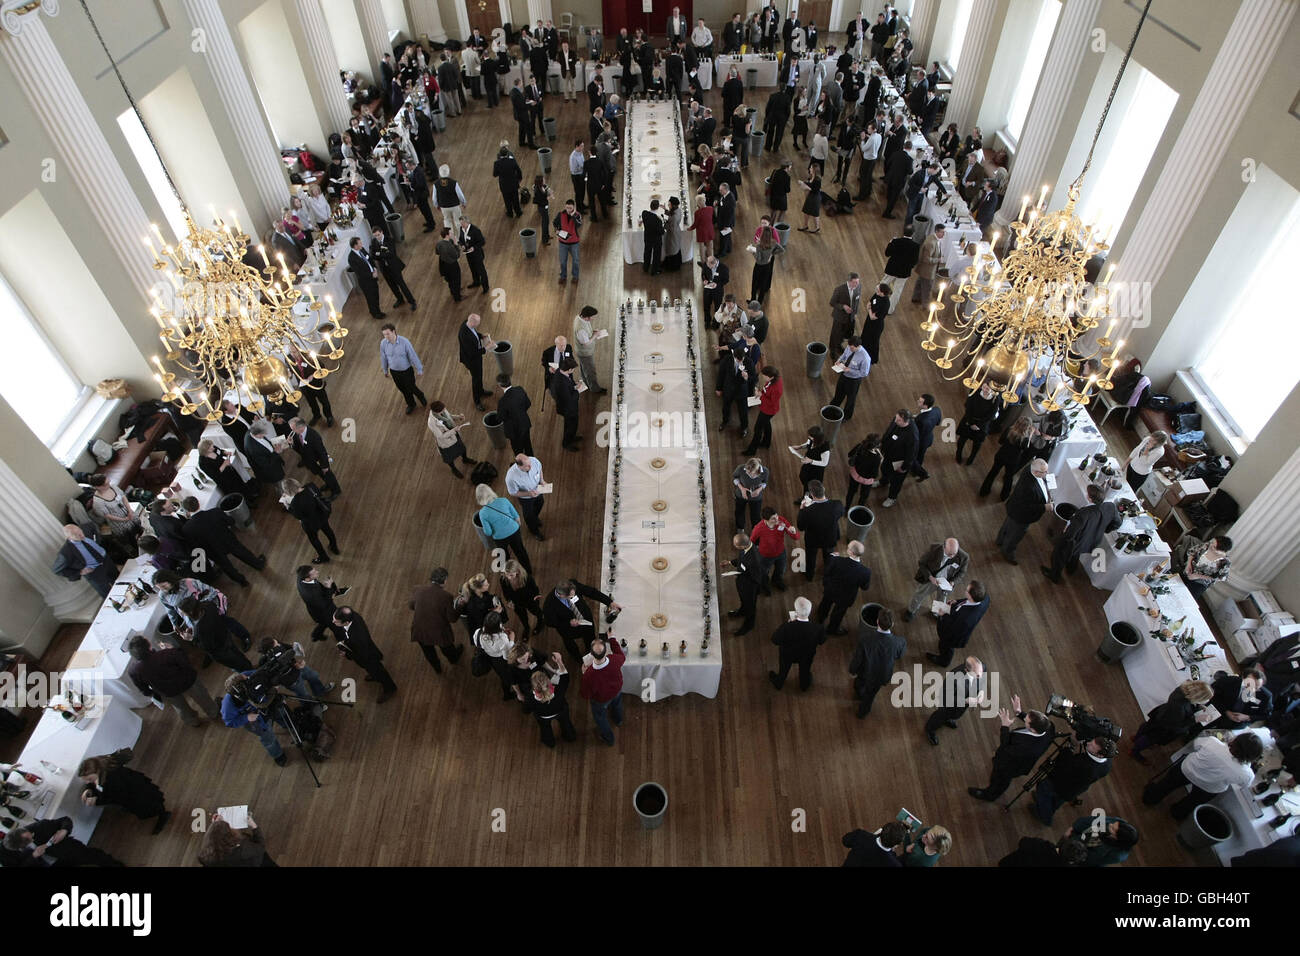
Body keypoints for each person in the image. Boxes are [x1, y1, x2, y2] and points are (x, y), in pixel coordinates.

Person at [968, 697, 1054, 801]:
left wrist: (1005, 726)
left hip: (1009, 766)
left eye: (1026, 720)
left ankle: (989, 795)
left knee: (999, 780)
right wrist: (1019, 712)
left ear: (1032, 729)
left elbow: (1006, 747)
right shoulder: (1049, 727)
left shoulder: (1026, 748)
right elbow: (1031, 723)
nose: (1024, 718)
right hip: (1014, 758)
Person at [127, 635, 220, 728]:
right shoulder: (168, 654)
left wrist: (154, 693)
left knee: (181, 708)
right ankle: (213, 712)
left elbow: (143, 688)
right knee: (202, 697)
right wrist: (173, 649)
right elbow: (186, 664)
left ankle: (193, 721)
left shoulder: (134, 671)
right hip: (187, 682)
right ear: (149, 646)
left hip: (168, 692)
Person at [78, 749, 170, 835]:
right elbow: (98, 787)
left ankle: (163, 815)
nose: (87, 782)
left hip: (137, 794)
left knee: (150, 806)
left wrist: (96, 801)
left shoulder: (113, 779)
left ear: (97, 771)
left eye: (89, 779)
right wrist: (89, 789)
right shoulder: (101, 772)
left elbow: (116, 797)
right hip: (130, 794)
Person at [1042, 483, 1120, 583]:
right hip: (1091, 540)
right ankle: (1071, 569)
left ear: (1090, 498)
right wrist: (1104, 529)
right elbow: (1117, 523)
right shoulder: (1111, 506)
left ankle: (1054, 576)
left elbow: (1070, 534)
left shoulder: (1083, 514)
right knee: (1075, 554)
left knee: (1058, 556)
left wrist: (1061, 541)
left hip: (1075, 541)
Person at [1034, 736, 1118, 824]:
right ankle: (1047, 808)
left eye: (1092, 747)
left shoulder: (1085, 766)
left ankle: (1045, 817)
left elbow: (1063, 767)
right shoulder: (1107, 761)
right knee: (1056, 801)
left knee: (1043, 790)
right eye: (1091, 742)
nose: (1088, 744)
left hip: (1061, 785)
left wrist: (1069, 749)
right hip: (1074, 789)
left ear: (1099, 755)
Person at [221, 670, 292, 765]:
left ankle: (287, 725)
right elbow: (229, 722)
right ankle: (278, 755)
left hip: (271, 704)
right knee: (268, 739)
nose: (250, 679)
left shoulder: (247, 676)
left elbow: (266, 674)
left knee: (281, 715)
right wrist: (246, 718)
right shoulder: (228, 705)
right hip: (258, 721)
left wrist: (274, 685)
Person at [333, 606, 397, 702]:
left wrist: (346, 654)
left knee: (379, 671)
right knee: (373, 671)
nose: (333, 621)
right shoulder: (352, 616)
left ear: (346, 622)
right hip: (365, 650)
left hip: (368, 657)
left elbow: (359, 653)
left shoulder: (357, 637)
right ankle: (374, 676)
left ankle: (390, 688)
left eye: (336, 621)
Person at [849, 607, 904, 719]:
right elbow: (899, 655)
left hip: (864, 671)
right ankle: (862, 713)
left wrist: (852, 669)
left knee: (860, 683)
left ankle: (859, 693)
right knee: (870, 695)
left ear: (877, 622)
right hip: (881, 676)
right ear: (892, 624)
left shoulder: (865, 640)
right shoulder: (899, 642)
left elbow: (858, 659)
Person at [3, 816, 122, 866]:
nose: (32, 838)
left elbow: (65, 820)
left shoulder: (41, 826)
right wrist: (33, 856)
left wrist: (64, 831)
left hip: (67, 851)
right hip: (53, 865)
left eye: (30, 835)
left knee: (95, 857)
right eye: (29, 841)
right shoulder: (12, 848)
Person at [409, 567, 465, 674]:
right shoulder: (446, 596)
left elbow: (411, 606)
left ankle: (437, 668)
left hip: (420, 629)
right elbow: (452, 618)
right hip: (439, 631)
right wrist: (460, 607)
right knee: (447, 648)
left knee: (428, 652)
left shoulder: (418, 589)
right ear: (444, 580)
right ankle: (454, 659)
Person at [997, 458, 1051, 565]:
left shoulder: (1029, 469)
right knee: (1015, 535)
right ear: (1035, 472)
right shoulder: (1029, 487)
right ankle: (1007, 552)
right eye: (1044, 472)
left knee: (1007, 525)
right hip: (1022, 516)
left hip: (1014, 508)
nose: (1047, 473)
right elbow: (1027, 506)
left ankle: (1000, 540)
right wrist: (1044, 507)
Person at [768, 596, 827, 691]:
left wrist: (789, 624)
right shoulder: (818, 628)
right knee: (805, 671)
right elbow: (822, 641)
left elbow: (774, 640)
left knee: (783, 670)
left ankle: (779, 682)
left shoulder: (787, 627)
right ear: (810, 611)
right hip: (806, 655)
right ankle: (804, 685)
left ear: (796, 611)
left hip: (787, 654)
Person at [924, 656, 986, 745]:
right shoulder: (953, 679)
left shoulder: (981, 667)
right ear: (967, 670)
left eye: (981, 672)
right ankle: (930, 729)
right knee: (940, 716)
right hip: (948, 705)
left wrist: (981, 691)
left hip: (962, 706)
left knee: (954, 714)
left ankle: (948, 719)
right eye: (977, 674)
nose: (980, 676)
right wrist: (965, 701)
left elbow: (983, 677)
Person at [927, 580, 990, 667]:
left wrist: (943, 615)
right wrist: (957, 601)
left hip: (952, 635)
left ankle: (944, 661)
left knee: (946, 646)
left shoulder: (967, 618)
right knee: (944, 645)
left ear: (971, 597)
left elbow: (953, 628)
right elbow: (967, 601)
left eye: (967, 591)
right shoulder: (985, 598)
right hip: (956, 620)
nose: (965, 591)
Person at [905, 538, 969, 622]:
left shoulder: (964, 557)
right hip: (932, 578)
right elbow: (921, 563)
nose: (952, 557)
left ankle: (937, 613)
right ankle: (911, 610)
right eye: (949, 554)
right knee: (919, 594)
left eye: (954, 554)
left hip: (947, 582)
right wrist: (930, 577)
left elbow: (962, 573)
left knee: (942, 599)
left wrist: (953, 582)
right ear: (944, 547)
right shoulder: (934, 549)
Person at [580, 634, 626, 746]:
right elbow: (621, 655)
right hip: (616, 691)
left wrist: (584, 673)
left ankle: (609, 739)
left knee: (600, 718)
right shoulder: (614, 659)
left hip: (601, 700)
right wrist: (612, 638)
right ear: (606, 652)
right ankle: (618, 720)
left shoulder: (589, 675)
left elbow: (585, 694)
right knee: (617, 705)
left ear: (591, 654)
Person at [280, 477, 339, 564]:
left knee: (314, 539)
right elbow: (319, 495)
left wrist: (287, 505)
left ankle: (324, 557)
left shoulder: (295, 503)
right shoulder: (311, 486)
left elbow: (298, 516)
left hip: (310, 523)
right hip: (321, 515)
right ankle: (334, 548)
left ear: (288, 491)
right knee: (328, 530)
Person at [817, 540, 871, 635]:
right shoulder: (865, 572)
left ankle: (820, 618)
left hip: (831, 590)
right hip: (846, 597)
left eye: (848, 548)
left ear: (851, 552)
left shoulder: (836, 560)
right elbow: (865, 587)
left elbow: (827, 572)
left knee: (825, 604)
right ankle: (832, 629)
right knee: (838, 614)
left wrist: (832, 557)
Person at [53, 522, 118, 599]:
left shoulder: (86, 528)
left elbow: (93, 526)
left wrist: (97, 540)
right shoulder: (66, 551)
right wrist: (80, 572)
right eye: (76, 534)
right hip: (95, 572)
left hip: (107, 561)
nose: (80, 535)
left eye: (79, 531)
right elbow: (56, 570)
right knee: (109, 595)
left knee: (120, 580)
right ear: (69, 537)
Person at [523, 658, 577, 748]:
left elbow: (526, 710)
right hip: (560, 711)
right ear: (548, 681)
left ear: (533, 687)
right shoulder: (559, 690)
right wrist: (559, 661)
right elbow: (565, 677)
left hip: (543, 717)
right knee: (566, 723)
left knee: (545, 729)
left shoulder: (530, 698)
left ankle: (549, 742)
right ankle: (570, 736)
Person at [980, 418, 1035, 501]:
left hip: (1001, 455)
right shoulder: (1025, 439)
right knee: (1008, 477)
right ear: (1027, 427)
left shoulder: (1009, 430)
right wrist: (1030, 436)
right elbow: (1025, 449)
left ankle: (984, 491)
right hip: (1012, 461)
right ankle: (1004, 496)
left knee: (993, 472)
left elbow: (1000, 441)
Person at [379, 322, 427, 415]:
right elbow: (383, 357)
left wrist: (419, 368)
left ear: (394, 332)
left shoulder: (404, 342)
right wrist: (385, 370)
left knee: (411, 387)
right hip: (394, 372)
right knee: (402, 389)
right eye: (384, 334)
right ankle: (411, 404)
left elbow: (412, 356)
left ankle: (420, 395)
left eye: (388, 333)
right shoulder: (383, 343)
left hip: (406, 371)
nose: (386, 336)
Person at [289, 416, 340, 499]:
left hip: (319, 461)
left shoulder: (314, 436)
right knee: (321, 475)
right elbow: (300, 449)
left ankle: (336, 490)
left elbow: (322, 452)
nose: (292, 431)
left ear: (301, 427)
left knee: (328, 475)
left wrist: (325, 466)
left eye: (293, 429)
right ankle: (328, 485)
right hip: (311, 461)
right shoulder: (297, 435)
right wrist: (292, 444)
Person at [296, 564, 349, 643]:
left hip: (316, 611)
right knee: (337, 628)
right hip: (325, 612)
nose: (317, 572)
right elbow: (325, 604)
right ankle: (343, 641)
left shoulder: (301, 578)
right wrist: (328, 588)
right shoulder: (311, 594)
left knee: (323, 623)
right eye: (314, 573)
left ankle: (316, 635)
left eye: (315, 570)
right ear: (307, 579)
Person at [198, 813, 274, 867]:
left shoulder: (205, 856)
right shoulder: (242, 849)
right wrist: (254, 826)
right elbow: (261, 846)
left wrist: (217, 826)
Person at [426, 401, 479, 478]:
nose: (444, 410)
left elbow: (449, 416)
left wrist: (458, 417)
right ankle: (453, 469)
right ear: (437, 411)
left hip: (454, 433)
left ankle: (465, 459)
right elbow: (440, 436)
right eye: (443, 410)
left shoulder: (442, 410)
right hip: (446, 442)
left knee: (462, 448)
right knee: (449, 457)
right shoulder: (431, 422)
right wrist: (453, 430)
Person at [1209, 666, 1273, 729]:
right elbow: (1212, 694)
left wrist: (1248, 717)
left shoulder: (1266, 697)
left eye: (1256, 687)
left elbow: (1266, 715)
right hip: (1220, 710)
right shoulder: (1229, 681)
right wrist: (1226, 711)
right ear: (1243, 678)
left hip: (1240, 721)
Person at [880, 409, 919, 508]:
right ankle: (883, 482)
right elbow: (888, 431)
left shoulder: (912, 436)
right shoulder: (897, 420)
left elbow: (911, 455)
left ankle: (892, 497)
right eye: (896, 418)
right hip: (888, 455)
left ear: (906, 421)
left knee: (896, 482)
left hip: (899, 462)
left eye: (898, 420)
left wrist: (904, 467)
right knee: (884, 469)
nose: (895, 421)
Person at [741, 366, 782, 457]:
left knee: (757, 429)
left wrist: (760, 395)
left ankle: (752, 450)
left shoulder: (776, 389)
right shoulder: (773, 381)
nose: (763, 378)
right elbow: (767, 391)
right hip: (765, 408)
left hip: (768, 410)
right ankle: (766, 442)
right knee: (766, 424)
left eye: (765, 376)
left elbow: (772, 402)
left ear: (771, 377)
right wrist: (761, 393)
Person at [1066, 817, 1140, 866]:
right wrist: (1074, 827)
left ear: (1118, 838)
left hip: (1079, 856)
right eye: (1114, 825)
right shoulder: (1120, 823)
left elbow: (1090, 859)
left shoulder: (1116, 855)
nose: (1110, 824)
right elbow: (1093, 820)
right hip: (1077, 839)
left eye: (1112, 829)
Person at [505, 453, 547, 541]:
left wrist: (542, 480)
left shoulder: (533, 461)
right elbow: (513, 492)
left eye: (530, 463)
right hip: (526, 499)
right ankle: (534, 531)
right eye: (527, 466)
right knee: (528, 515)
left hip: (537, 490)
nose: (531, 466)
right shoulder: (511, 477)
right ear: (519, 466)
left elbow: (539, 469)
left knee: (540, 503)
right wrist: (528, 494)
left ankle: (535, 518)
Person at [955, 383, 999, 465]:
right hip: (969, 420)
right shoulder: (974, 391)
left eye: (988, 389)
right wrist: (971, 423)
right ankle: (958, 454)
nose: (985, 390)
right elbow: (968, 407)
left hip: (982, 425)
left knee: (977, 445)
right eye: (984, 387)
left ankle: (971, 458)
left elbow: (991, 415)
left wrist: (978, 425)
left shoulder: (996, 399)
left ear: (992, 390)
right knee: (961, 441)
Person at [829, 336, 871, 421]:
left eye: (852, 348)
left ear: (858, 346)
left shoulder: (865, 358)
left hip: (853, 381)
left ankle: (846, 416)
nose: (850, 349)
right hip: (844, 375)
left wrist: (850, 370)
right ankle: (832, 409)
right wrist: (839, 360)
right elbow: (844, 355)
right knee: (838, 393)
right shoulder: (849, 347)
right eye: (849, 347)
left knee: (850, 399)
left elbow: (864, 373)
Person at [458, 313, 494, 411]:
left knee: (479, 375)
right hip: (472, 361)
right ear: (473, 322)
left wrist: (481, 336)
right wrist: (486, 348)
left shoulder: (467, 323)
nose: (478, 325)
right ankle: (477, 401)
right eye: (478, 323)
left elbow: (474, 333)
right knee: (476, 379)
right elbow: (473, 353)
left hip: (476, 359)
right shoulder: (465, 336)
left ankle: (481, 391)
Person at [1180, 536, 1233, 601]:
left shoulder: (1225, 563)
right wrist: (1188, 564)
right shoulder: (1207, 545)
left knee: (1185, 599)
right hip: (1188, 572)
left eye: (1214, 546)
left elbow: (1219, 577)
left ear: (1221, 551)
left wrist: (1197, 576)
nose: (1210, 545)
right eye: (1212, 542)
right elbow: (1192, 551)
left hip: (1200, 583)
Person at [572, 305, 608, 395]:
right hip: (585, 353)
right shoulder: (580, 329)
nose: (593, 318)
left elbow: (586, 334)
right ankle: (595, 389)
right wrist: (595, 336)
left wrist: (592, 332)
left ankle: (585, 382)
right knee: (590, 371)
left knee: (584, 367)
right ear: (587, 317)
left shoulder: (579, 318)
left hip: (581, 351)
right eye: (592, 317)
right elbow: (586, 343)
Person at [347, 236, 384, 319]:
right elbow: (359, 273)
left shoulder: (362, 249)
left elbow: (369, 259)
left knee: (376, 295)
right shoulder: (351, 258)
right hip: (366, 282)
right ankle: (375, 313)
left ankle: (378, 310)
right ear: (355, 246)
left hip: (373, 276)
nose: (361, 244)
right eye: (360, 243)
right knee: (370, 298)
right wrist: (371, 274)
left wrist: (374, 268)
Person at [550, 355, 582, 450]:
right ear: (569, 370)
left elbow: (569, 383)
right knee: (570, 426)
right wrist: (577, 391)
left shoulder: (560, 371)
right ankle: (567, 444)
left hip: (567, 406)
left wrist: (574, 386)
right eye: (573, 370)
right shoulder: (561, 383)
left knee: (572, 425)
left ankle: (572, 437)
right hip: (568, 409)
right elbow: (569, 399)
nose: (573, 371)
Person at [497, 375, 534, 456]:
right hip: (524, 424)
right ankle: (531, 461)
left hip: (514, 431)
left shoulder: (502, 401)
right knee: (528, 445)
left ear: (499, 385)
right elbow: (528, 403)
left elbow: (500, 418)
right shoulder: (520, 389)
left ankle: (521, 465)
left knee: (518, 450)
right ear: (509, 380)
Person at [841, 821, 907, 866]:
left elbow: (845, 841)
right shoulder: (894, 864)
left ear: (881, 832)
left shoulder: (860, 835)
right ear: (896, 845)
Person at [912, 223, 945, 304]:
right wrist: (938, 260)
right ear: (937, 232)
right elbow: (927, 259)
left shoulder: (933, 238)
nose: (944, 234)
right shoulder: (931, 243)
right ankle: (925, 305)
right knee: (927, 288)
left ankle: (915, 298)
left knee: (920, 283)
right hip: (927, 270)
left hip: (925, 269)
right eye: (942, 232)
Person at [458, 216, 490, 293]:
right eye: (461, 223)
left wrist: (474, 248)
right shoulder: (461, 229)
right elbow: (461, 239)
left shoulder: (475, 230)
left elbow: (482, 242)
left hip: (477, 254)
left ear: (467, 222)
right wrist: (462, 244)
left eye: (463, 223)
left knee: (481, 271)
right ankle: (476, 282)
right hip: (468, 254)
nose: (461, 225)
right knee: (472, 268)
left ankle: (486, 287)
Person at [554, 198, 582, 285]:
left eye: (570, 208)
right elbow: (555, 223)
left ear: (574, 207)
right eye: (567, 208)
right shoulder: (560, 214)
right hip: (563, 242)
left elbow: (579, 225)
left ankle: (575, 276)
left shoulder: (577, 215)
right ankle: (563, 276)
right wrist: (557, 230)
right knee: (562, 261)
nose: (568, 210)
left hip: (574, 242)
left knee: (576, 261)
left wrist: (573, 215)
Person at [492, 145, 524, 218]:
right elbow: (519, 171)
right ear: (507, 154)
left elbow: (495, 174)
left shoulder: (497, 163)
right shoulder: (512, 161)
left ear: (500, 155)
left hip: (504, 185)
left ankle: (510, 213)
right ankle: (518, 212)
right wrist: (519, 179)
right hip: (513, 184)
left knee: (507, 200)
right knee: (515, 198)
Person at [435, 226, 464, 301]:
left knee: (450, 280)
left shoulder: (439, 243)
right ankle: (457, 297)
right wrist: (456, 244)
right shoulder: (450, 246)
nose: (452, 233)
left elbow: (437, 252)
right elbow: (457, 255)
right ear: (447, 235)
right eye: (451, 232)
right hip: (452, 265)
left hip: (444, 265)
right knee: (456, 280)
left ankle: (453, 291)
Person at [699, 253, 727, 320]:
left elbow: (726, 280)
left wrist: (717, 284)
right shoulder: (706, 264)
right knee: (706, 307)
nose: (708, 267)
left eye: (710, 266)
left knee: (717, 308)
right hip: (707, 290)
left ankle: (716, 323)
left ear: (714, 264)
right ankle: (707, 322)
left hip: (718, 291)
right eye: (707, 265)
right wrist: (704, 280)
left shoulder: (724, 268)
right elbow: (703, 274)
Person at [797, 162, 822, 233]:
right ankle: (805, 226)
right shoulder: (812, 176)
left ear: (814, 170)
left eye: (811, 168)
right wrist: (804, 183)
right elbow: (810, 184)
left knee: (815, 213)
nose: (810, 169)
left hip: (815, 198)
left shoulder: (818, 180)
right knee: (806, 211)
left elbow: (815, 189)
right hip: (811, 196)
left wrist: (805, 186)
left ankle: (817, 227)